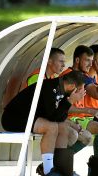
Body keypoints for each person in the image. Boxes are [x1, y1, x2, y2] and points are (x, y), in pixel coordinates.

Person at [2, 70, 86, 176]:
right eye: (79, 89)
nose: (82, 93)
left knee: (64, 129)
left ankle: (60, 168)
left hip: (30, 118)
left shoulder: (62, 90)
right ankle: (48, 171)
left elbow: (60, 117)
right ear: (72, 86)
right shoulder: (50, 87)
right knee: (51, 127)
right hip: (14, 118)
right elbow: (52, 117)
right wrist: (70, 102)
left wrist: (68, 102)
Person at [25, 48, 91, 176]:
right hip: (32, 119)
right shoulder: (38, 78)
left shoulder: (54, 79)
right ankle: (53, 169)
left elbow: (56, 110)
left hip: (47, 118)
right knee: (70, 133)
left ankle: (56, 166)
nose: (63, 65)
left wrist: (70, 122)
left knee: (85, 136)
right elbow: (46, 111)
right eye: (61, 61)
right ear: (49, 61)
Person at [60, 45, 98, 157]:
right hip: (70, 117)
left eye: (92, 61)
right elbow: (64, 107)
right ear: (77, 60)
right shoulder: (68, 77)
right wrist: (91, 111)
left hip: (82, 117)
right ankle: (97, 166)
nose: (90, 64)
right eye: (87, 60)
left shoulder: (83, 77)